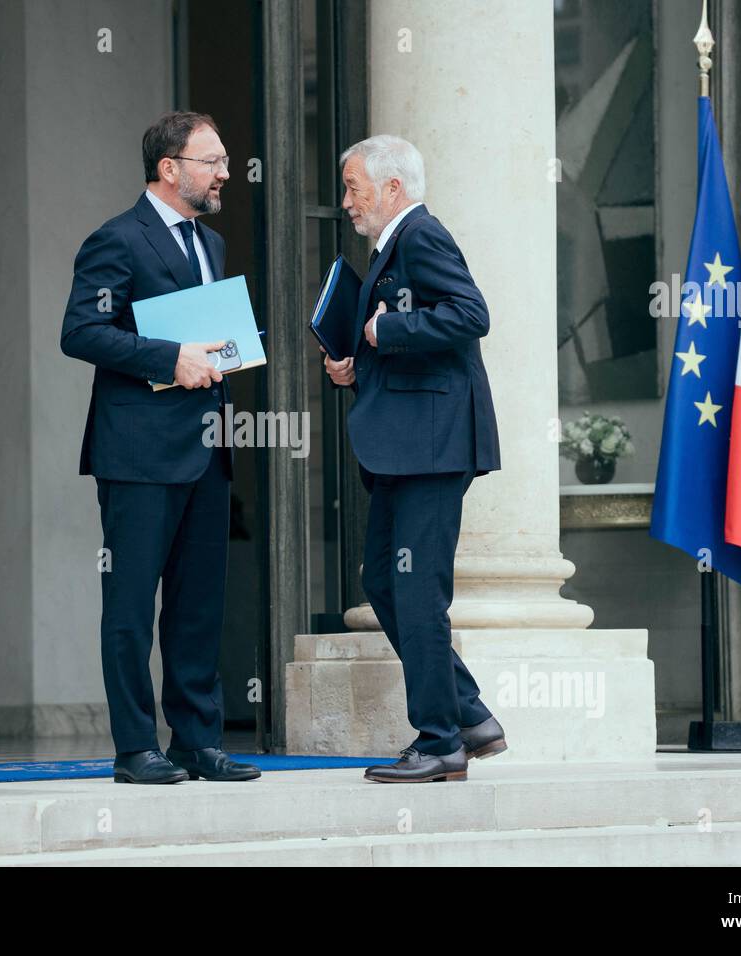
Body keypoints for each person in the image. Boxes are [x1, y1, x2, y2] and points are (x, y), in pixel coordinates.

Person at [60, 111, 260, 785]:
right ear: (169, 169)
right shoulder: (115, 240)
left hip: (206, 448)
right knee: (130, 606)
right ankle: (134, 748)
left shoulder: (214, 244)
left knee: (198, 607)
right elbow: (80, 331)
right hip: (138, 453)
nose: (225, 173)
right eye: (212, 161)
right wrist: (168, 357)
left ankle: (197, 742)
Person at [325, 134, 506, 783]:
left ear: (392, 188)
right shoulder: (394, 244)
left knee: (417, 591)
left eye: (354, 187)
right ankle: (469, 716)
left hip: (432, 447)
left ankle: (440, 742)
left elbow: (470, 314)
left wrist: (384, 331)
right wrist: (360, 362)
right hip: (408, 445)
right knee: (384, 581)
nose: (346, 201)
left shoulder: (422, 235)